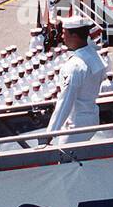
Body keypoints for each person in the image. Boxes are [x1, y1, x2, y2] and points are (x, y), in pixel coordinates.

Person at [45, 16, 107, 145]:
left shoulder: (74, 67)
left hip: (76, 124)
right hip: (92, 117)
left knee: (64, 159)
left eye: (64, 33)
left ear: (74, 36)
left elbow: (65, 102)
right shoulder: (95, 56)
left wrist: (50, 133)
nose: (62, 37)